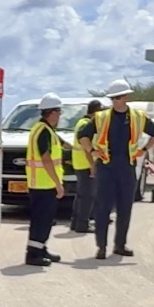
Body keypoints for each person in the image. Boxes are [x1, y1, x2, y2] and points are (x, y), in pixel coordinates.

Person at [82, 79, 154, 260]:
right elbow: (83, 136)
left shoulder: (138, 117)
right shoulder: (101, 117)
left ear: (126, 97)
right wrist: (92, 151)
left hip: (127, 167)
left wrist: (144, 150)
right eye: (113, 98)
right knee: (102, 209)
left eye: (118, 97)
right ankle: (101, 247)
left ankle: (120, 245)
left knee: (125, 208)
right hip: (106, 168)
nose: (115, 101)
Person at [25, 94, 67, 267]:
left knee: (45, 220)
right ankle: (33, 254)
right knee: (41, 220)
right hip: (44, 184)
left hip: (42, 183)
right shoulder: (44, 131)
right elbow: (46, 159)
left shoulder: (42, 129)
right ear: (53, 112)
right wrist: (58, 183)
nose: (60, 115)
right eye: (59, 112)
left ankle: (41, 248)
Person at [70, 99, 104, 235]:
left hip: (79, 163)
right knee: (87, 196)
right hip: (85, 163)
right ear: (96, 111)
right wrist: (92, 165)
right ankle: (82, 224)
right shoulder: (87, 125)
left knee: (81, 195)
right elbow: (86, 147)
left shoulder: (80, 122)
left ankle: (75, 222)